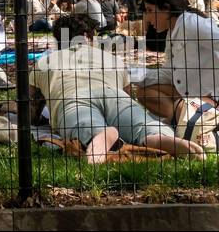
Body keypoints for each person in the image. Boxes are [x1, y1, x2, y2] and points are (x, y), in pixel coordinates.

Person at [33, 14, 205, 163]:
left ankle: (98, 135)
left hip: (74, 98)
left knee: (82, 123)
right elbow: (128, 96)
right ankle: (156, 136)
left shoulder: (45, 62)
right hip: (115, 95)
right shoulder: (112, 59)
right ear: (88, 36)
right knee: (138, 120)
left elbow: (31, 109)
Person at [130, 0, 219, 144]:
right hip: (194, 94)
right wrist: (130, 74)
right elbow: (169, 73)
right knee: (144, 92)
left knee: (151, 95)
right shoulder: (173, 31)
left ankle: (196, 124)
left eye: (150, 11)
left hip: (217, 98)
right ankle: (187, 124)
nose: (148, 18)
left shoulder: (191, 23)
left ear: (166, 8)